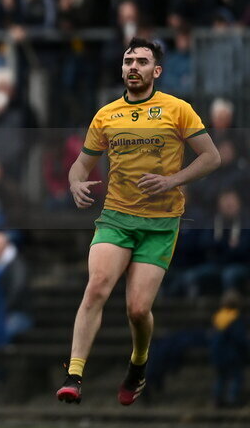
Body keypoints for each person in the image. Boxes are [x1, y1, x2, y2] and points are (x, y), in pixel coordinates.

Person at [57, 37, 221, 406]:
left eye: (142, 62)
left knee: (137, 309)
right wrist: (75, 183)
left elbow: (211, 158)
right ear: (122, 68)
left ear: (156, 71)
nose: (134, 66)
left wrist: (171, 180)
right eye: (128, 60)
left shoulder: (177, 110)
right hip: (116, 217)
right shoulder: (106, 115)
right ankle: (74, 375)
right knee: (97, 285)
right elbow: (81, 164)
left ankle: (138, 363)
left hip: (160, 223)